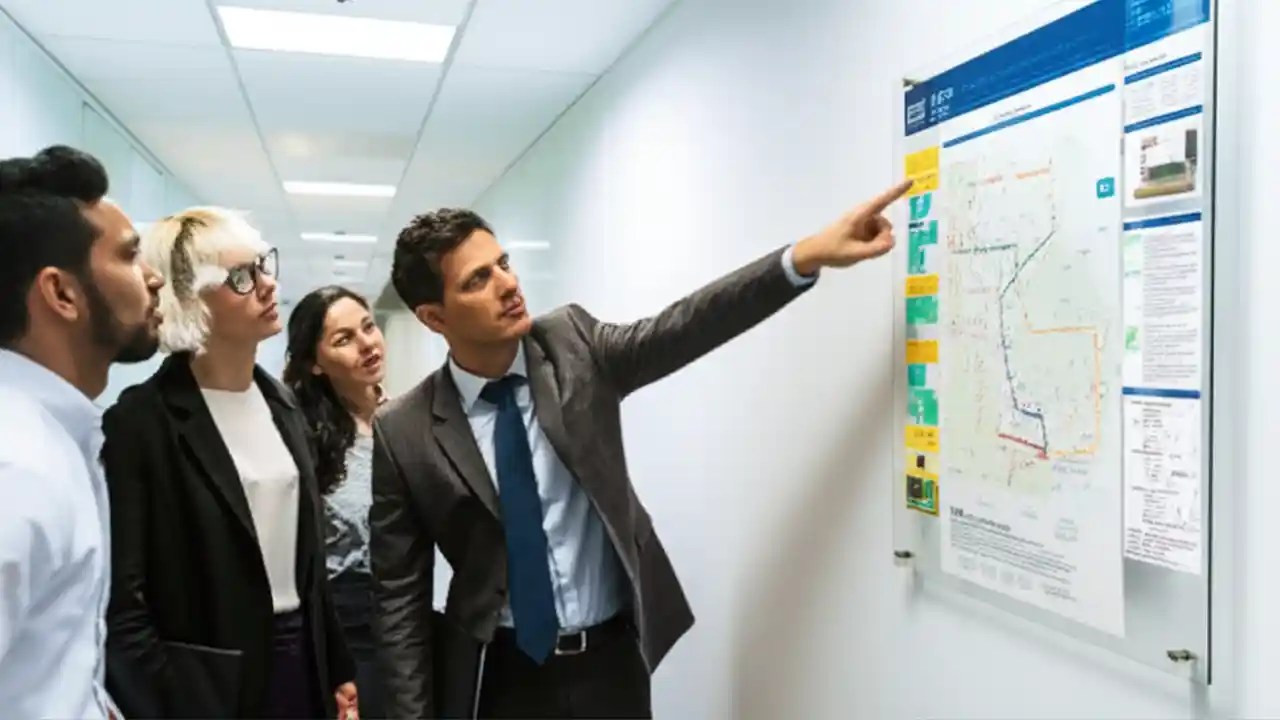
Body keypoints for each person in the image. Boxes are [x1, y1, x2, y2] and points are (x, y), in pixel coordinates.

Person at [370, 180, 913, 718]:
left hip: (611, 666)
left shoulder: (573, 345)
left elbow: (686, 325)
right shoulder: (405, 432)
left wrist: (805, 257)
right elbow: (398, 599)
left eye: (504, 264)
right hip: (501, 677)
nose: (508, 285)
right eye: (478, 280)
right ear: (434, 317)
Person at [100, 207, 358, 719]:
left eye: (263, 265)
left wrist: (337, 668)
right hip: (208, 680)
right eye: (241, 277)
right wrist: (169, 703)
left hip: (300, 659)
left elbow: (309, 565)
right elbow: (124, 604)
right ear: (188, 299)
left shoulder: (283, 406)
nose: (267, 285)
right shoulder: (142, 422)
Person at [0, 145, 165, 719]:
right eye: (129, 255)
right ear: (62, 294)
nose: (153, 277)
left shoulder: (56, 439)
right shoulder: (16, 467)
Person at [283, 285, 389, 718]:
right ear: (315, 363)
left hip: (413, 623)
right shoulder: (303, 441)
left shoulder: (408, 421)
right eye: (344, 339)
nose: (366, 343)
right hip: (346, 636)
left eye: (368, 327)